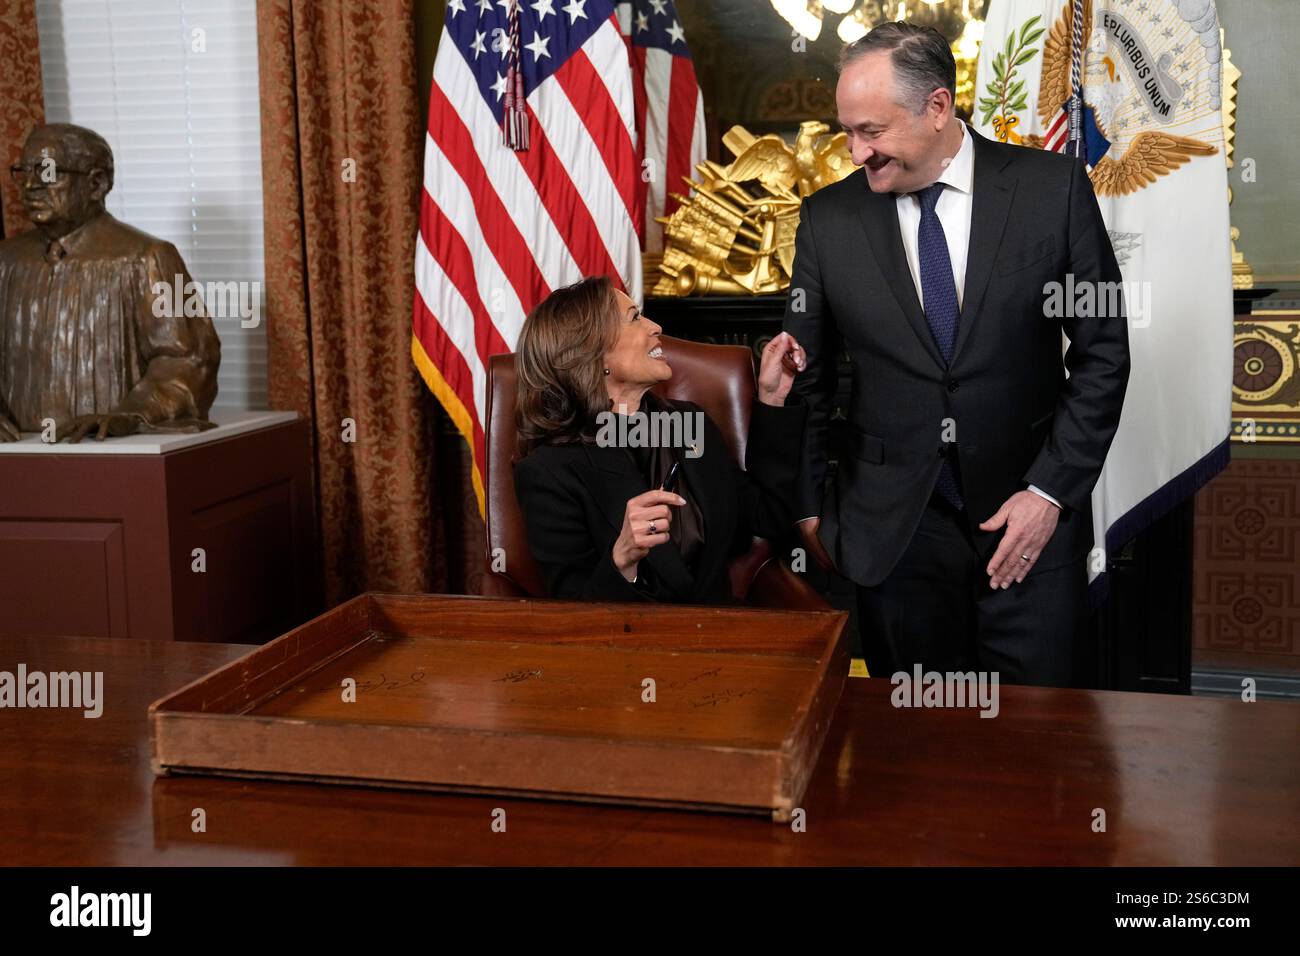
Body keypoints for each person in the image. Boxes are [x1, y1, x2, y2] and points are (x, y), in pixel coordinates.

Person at [784, 23, 1130, 686]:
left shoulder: (1050, 191)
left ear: (938, 108)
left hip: (1029, 524)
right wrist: (808, 514)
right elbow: (809, 381)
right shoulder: (828, 220)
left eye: (872, 132)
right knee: (915, 761)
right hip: (894, 541)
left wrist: (1049, 492)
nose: (856, 153)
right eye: (847, 132)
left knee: (1036, 750)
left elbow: (1103, 356)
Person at [513, 275, 807, 603]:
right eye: (635, 319)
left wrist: (771, 398)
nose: (654, 326)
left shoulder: (687, 422)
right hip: (631, 647)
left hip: (719, 639)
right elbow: (573, 614)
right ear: (594, 354)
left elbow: (767, 515)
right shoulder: (548, 472)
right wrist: (622, 559)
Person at [0, 123, 220, 444]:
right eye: (25, 171)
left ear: (96, 184)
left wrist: (128, 417)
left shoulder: (149, 257)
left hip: (108, 451)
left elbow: (189, 360)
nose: (31, 185)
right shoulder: (5, 260)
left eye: (48, 172)